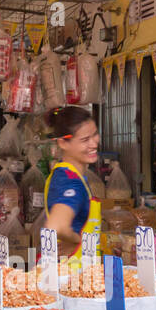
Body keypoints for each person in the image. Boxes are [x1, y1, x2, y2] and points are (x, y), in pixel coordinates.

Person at [43, 106, 102, 258]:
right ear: (63, 143)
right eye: (85, 140)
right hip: (71, 275)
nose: (94, 144)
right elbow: (56, 226)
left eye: (95, 134)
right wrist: (79, 242)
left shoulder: (68, 174)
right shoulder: (70, 181)